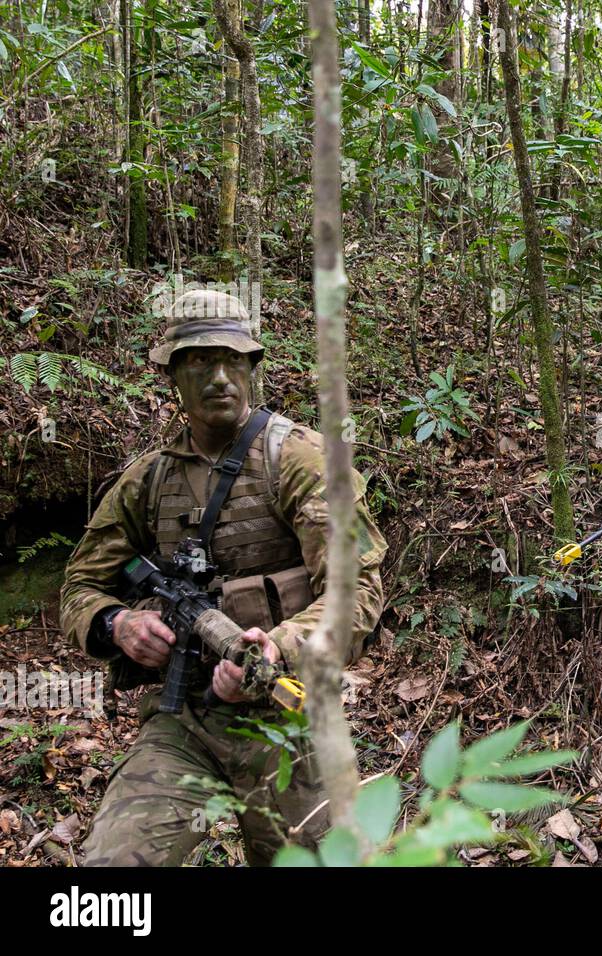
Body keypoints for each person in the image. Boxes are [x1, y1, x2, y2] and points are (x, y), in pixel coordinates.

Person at [60, 289, 387, 865]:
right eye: (199, 361)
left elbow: (356, 592)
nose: (219, 377)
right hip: (184, 720)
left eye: (233, 360)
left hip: (289, 722)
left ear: (252, 367)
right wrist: (117, 623)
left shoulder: (302, 461)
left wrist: (277, 647)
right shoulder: (147, 482)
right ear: (172, 375)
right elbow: (79, 586)